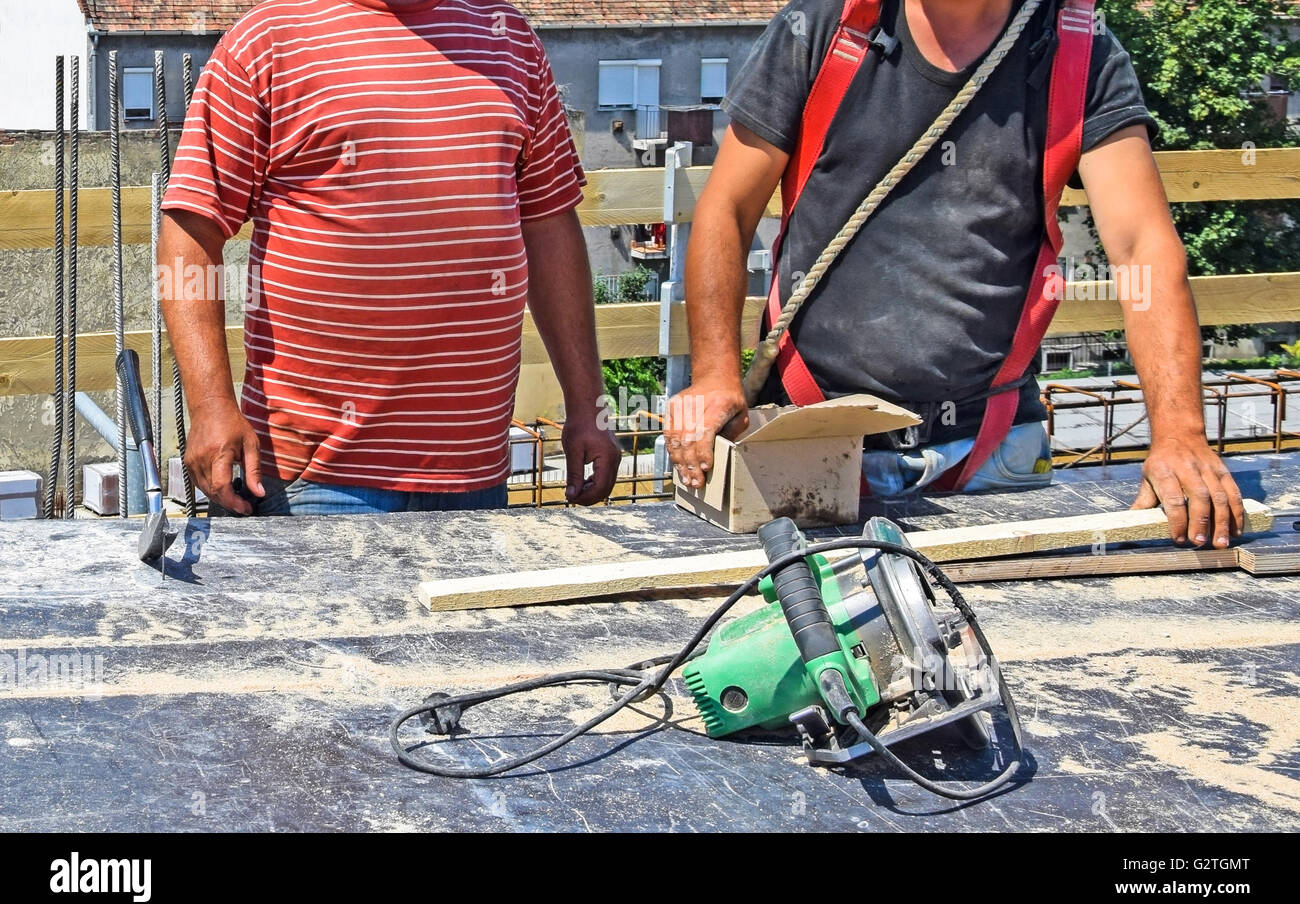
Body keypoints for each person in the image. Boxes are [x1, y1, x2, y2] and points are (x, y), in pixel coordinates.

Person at [666, 0, 1246, 549]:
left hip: (995, 448)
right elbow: (728, 210)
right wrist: (715, 374)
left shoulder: (1078, 50)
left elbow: (1140, 243)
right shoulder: (826, 27)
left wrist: (1178, 434)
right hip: (809, 441)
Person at [161, 0, 620, 516]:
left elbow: (549, 224)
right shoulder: (268, 40)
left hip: (474, 474)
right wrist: (210, 405)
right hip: (314, 480)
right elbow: (190, 232)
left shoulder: (509, 37)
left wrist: (588, 404)